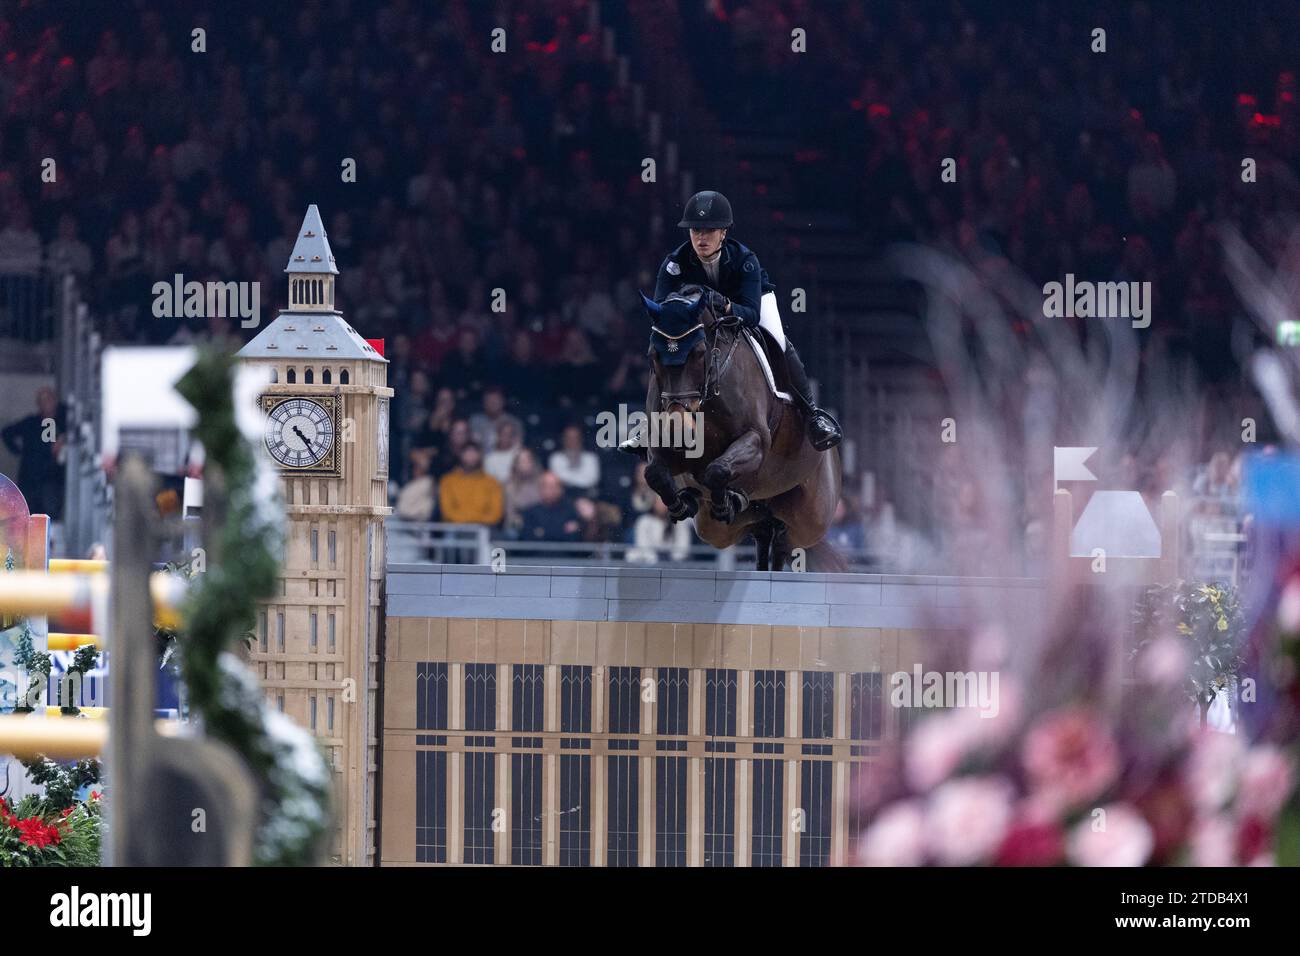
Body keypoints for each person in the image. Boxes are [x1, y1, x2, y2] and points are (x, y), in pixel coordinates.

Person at [634, 190, 841, 451]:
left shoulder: (745, 260)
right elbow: (664, 314)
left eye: (709, 230)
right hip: (699, 315)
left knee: (778, 342)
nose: (701, 238)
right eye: (696, 230)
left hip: (749, 303)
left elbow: (752, 315)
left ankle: (812, 415)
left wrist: (727, 305)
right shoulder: (674, 263)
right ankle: (650, 426)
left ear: (723, 232)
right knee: (664, 348)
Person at [1, 387, 65, 519]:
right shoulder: (31, 422)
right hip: (30, 479)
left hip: (52, 480)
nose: (46, 404)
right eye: (42, 401)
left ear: (55, 400)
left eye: (48, 399)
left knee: (50, 517)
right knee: (27, 515)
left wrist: (63, 440)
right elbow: (6, 432)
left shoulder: (64, 420)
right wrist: (19, 451)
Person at [436, 443, 503, 526]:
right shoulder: (447, 481)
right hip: (455, 528)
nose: (471, 457)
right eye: (467, 453)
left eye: (474, 453)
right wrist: (470, 520)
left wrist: (475, 521)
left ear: (480, 456)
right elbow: (447, 512)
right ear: (460, 455)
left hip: (484, 527)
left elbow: (496, 513)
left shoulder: (492, 483)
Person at [548, 423, 600, 493]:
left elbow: (592, 480)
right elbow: (557, 479)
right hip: (563, 494)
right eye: (569, 437)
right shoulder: (556, 458)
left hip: (586, 494)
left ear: (581, 439)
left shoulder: (591, 458)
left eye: (575, 437)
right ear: (563, 439)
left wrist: (568, 479)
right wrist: (581, 477)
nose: (572, 440)